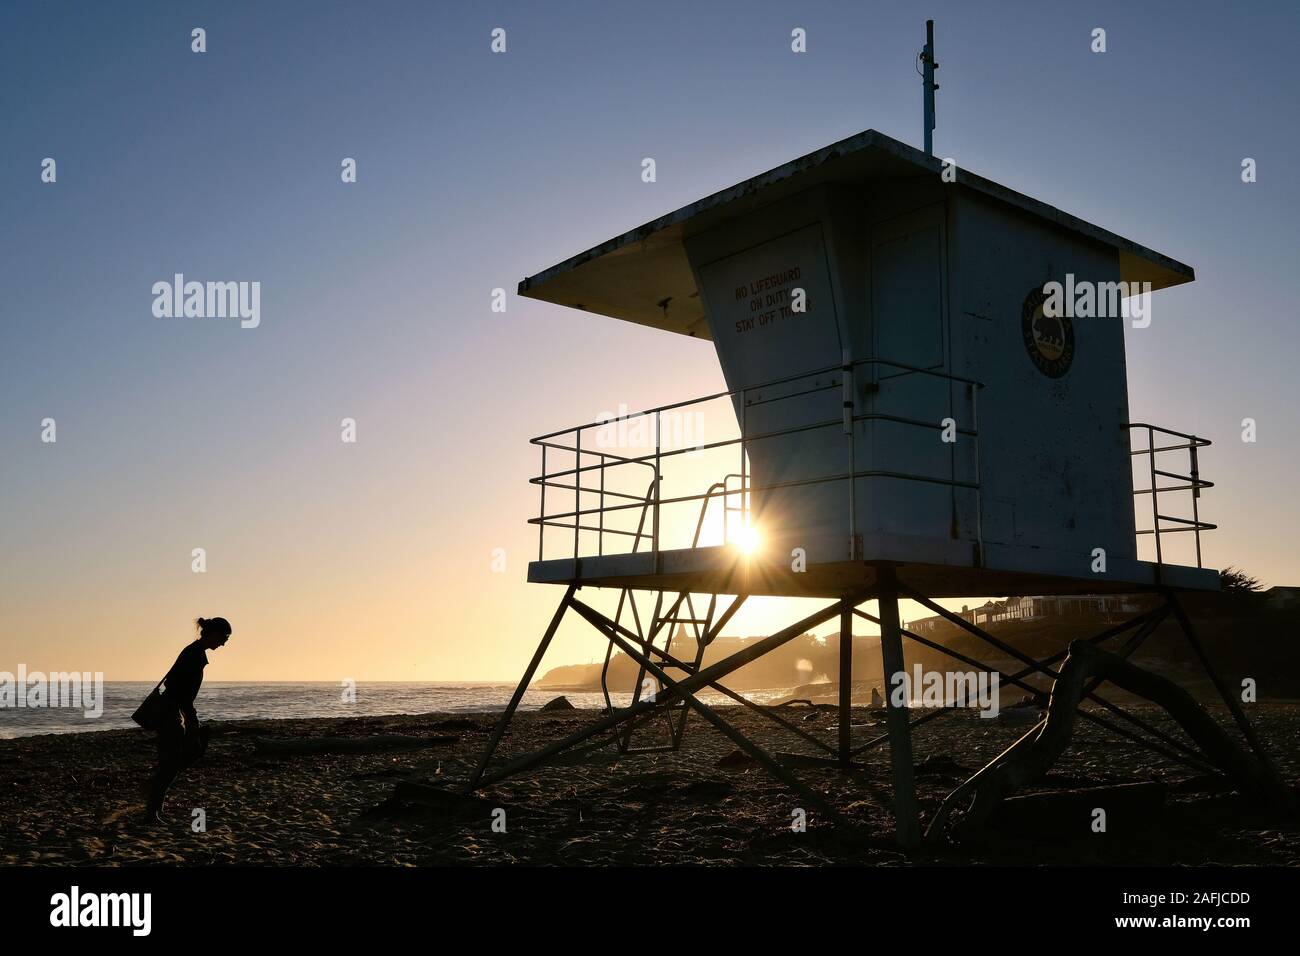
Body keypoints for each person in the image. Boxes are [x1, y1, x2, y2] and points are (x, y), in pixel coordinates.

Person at [144, 616, 231, 823]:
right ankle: (152, 809)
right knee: (173, 761)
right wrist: (191, 717)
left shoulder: (194, 652)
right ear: (212, 634)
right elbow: (181, 690)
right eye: (223, 637)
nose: (224, 642)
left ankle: (154, 806)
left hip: (174, 711)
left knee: (175, 760)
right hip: (172, 712)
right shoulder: (194, 654)